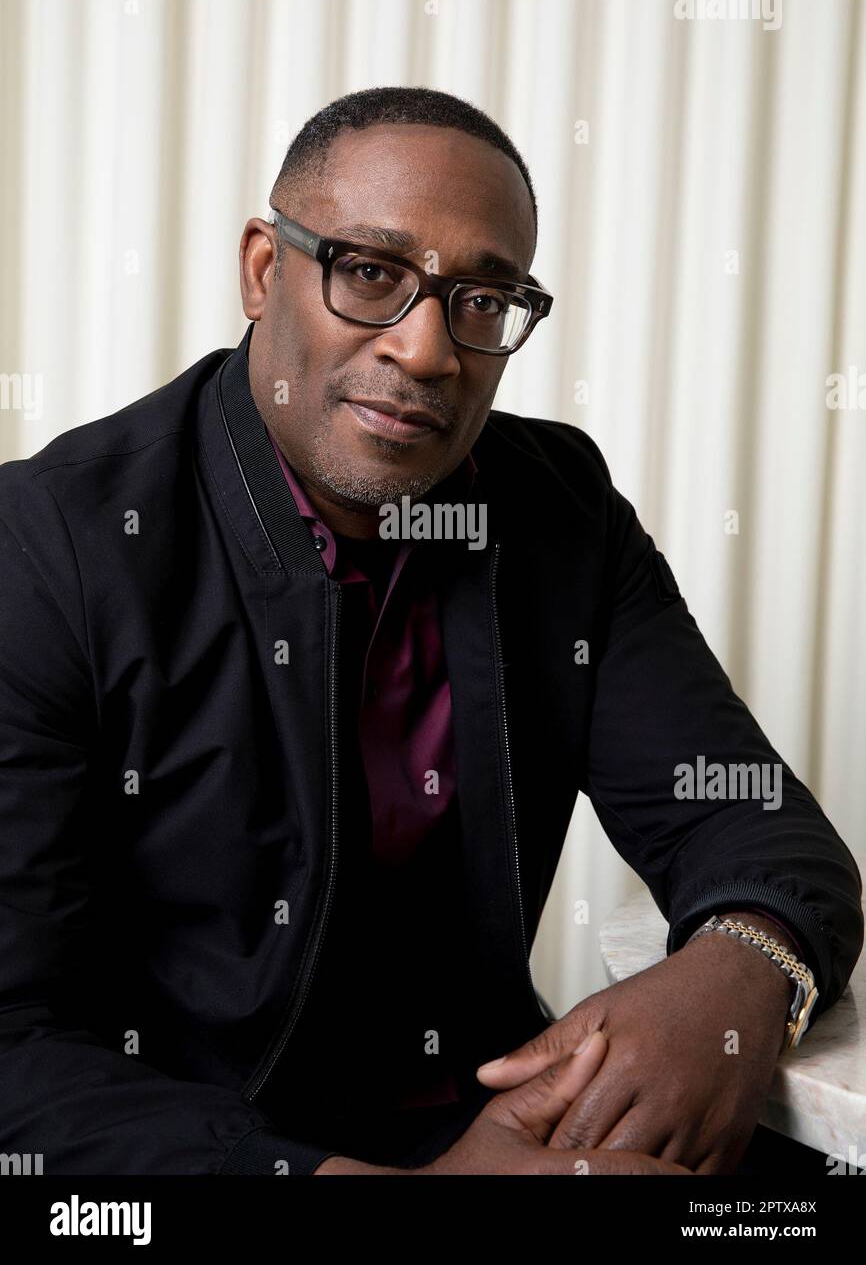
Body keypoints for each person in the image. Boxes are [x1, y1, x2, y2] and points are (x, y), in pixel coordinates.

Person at [0, 86, 861, 1178]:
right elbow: (15, 1046)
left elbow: (747, 820)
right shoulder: (49, 545)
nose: (425, 350)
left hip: (495, 1126)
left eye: (482, 300)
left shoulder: (557, 511)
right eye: (370, 272)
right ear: (264, 269)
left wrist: (737, 975)